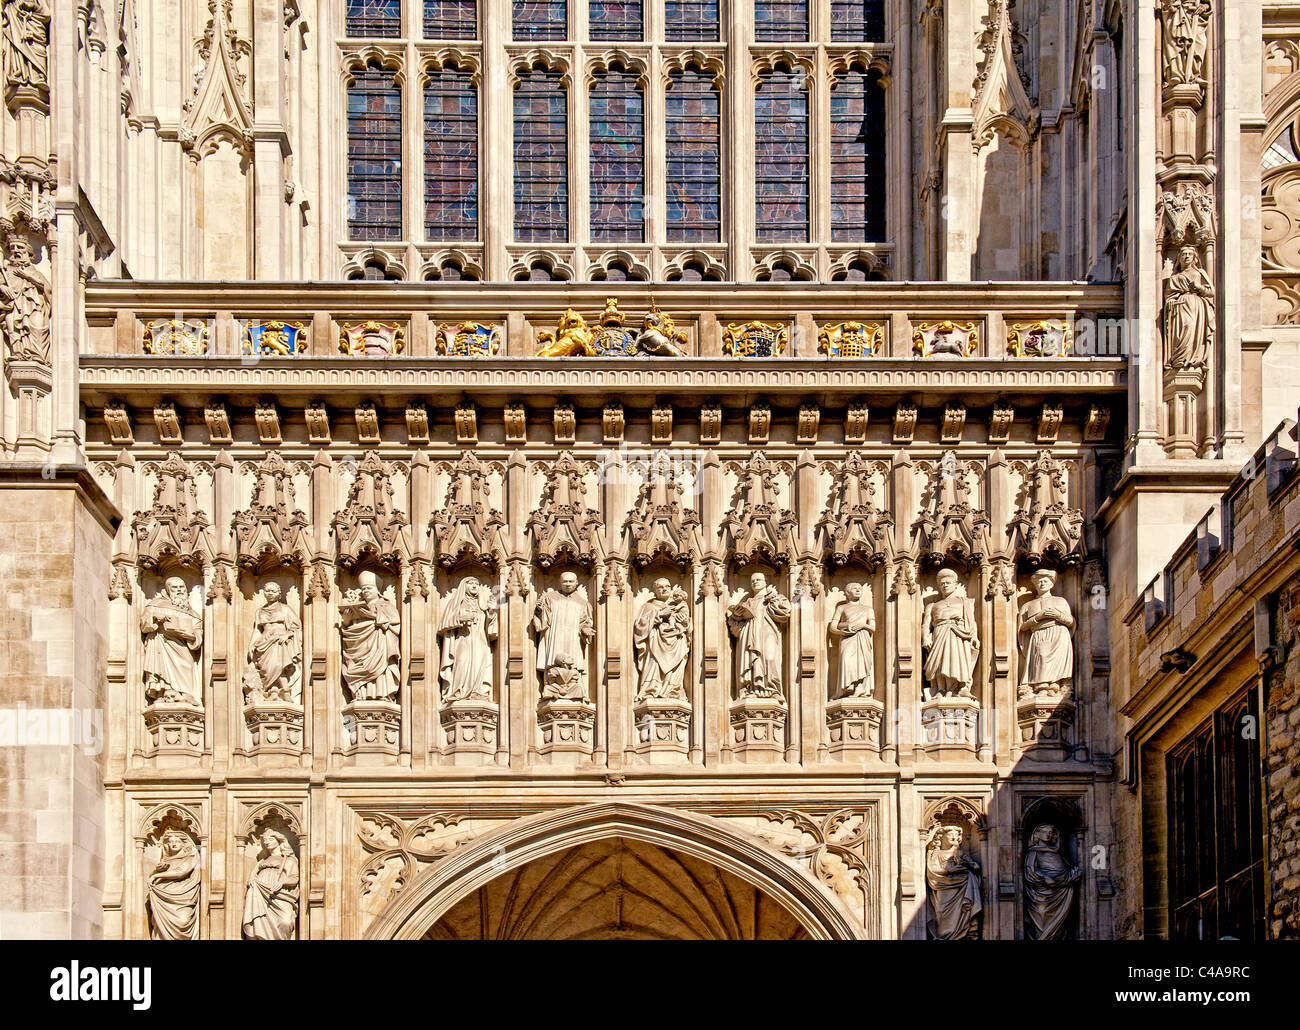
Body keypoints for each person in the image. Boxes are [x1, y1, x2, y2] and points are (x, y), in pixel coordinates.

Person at [727, 572, 792, 699]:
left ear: (766, 582)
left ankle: (773, 689)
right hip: (749, 636)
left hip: (767, 634)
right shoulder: (748, 602)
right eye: (752, 581)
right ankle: (751, 689)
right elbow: (735, 628)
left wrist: (772, 599)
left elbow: (784, 613)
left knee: (770, 659)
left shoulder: (773, 597)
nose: (755, 582)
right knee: (750, 660)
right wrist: (736, 616)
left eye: (758, 579)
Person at [140, 577, 203, 706]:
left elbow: (198, 634)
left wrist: (191, 636)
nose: (179, 590)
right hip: (163, 644)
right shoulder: (155, 605)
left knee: (187, 666)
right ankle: (167, 691)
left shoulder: (194, 614)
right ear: (168, 590)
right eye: (175, 588)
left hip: (183, 648)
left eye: (182, 587)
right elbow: (144, 624)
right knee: (164, 667)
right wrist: (156, 620)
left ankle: (186, 694)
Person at [340, 570, 401, 702]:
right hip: (360, 646)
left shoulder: (386, 605)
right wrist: (346, 618)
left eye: (369, 588)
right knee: (357, 667)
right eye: (363, 589)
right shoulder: (358, 606)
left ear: (377, 590)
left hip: (378, 645)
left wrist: (374, 616)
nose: (366, 591)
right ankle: (361, 694)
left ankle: (381, 694)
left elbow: (395, 625)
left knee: (379, 668)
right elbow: (348, 627)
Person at [533, 571, 595, 697]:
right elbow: (543, 619)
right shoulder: (549, 598)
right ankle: (550, 685)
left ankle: (575, 686)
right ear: (559, 583)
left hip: (573, 637)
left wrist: (586, 630)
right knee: (552, 659)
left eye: (571, 581)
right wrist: (540, 610)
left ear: (577, 583)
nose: (568, 584)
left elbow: (585, 621)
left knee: (573, 661)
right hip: (554, 635)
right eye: (565, 581)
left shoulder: (582, 602)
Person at [437, 576, 498, 702]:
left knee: (479, 665)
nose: (474, 586)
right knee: (462, 662)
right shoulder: (456, 603)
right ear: (464, 586)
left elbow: (490, 629)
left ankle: (477, 691)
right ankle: (458, 691)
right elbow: (445, 623)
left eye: (477, 583)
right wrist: (461, 618)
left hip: (480, 641)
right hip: (462, 640)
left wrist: (491, 612)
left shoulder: (482, 605)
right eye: (471, 583)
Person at [921, 569, 979, 699]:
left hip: (958, 634)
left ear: (956, 584)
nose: (945, 585)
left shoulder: (964, 602)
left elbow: (971, 621)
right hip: (939, 632)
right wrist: (925, 637)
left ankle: (957, 689)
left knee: (956, 660)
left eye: (948, 583)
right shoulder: (932, 605)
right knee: (939, 662)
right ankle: (941, 690)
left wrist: (974, 636)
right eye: (942, 584)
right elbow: (926, 624)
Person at [1018, 569, 1075, 699]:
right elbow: (1022, 627)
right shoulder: (1028, 605)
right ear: (1035, 585)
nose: (1042, 584)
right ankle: (1041, 686)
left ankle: (1055, 685)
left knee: (1056, 661)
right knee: (1042, 657)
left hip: (1058, 634)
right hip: (1039, 634)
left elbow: (1071, 621)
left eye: (1045, 581)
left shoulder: (1060, 601)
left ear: (1051, 584)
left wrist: (1058, 615)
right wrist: (1038, 617)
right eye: (1039, 582)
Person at [242, 581, 302, 703]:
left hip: (279, 641)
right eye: (268, 591)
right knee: (265, 669)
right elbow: (257, 630)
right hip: (264, 641)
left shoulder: (285, 609)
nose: (270, 593)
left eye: (273, 591)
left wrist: (287, 634)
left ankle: (285, 691)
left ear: (279, 594)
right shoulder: (259, 611)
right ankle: (272, 691)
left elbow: (296, 626)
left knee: (278, 666)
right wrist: (251, 645)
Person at [633, 578, 691, 701]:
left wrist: (684, 622)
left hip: (676, 643)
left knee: (676, 668)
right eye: (660, 587)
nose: (664, 589)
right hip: (655, 643)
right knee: (654, 664)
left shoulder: (678, 606)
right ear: (654, 590)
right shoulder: (648, 606)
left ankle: (671, 691)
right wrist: (659, 615)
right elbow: (639, 626)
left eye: (667, 586)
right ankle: (651, 690)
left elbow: (688, 626)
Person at [1023, 823, 1080, 940]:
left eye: (1051, 832)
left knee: (1061, 925)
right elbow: (1030, 871)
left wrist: (1072, 874)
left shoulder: (1057, 852)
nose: (1048, 835)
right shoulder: (1034, 852)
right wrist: (1045, 877)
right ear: (1037, 834)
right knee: (1042, 915)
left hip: (1062, 891)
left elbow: (1065, 868)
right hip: (1042, 894)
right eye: (1045, 832)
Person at [925, 824, 982, 940]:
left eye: (956, 835)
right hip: (942, 886)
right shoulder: (936, 854)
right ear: (942, 837)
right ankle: (944, 936)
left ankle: (961, 934)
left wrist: (966, 863)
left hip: (961, 887)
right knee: (941, 913)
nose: (954, 837)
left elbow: (976, 867)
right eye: (950, 834)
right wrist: (950, 870)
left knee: (963, 912)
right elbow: (932, 870)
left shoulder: (960, 854)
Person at [242, 829, 300, 940]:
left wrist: (282, 882)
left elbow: (294, 878)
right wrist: (253, 882)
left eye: (270, 839)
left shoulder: (288, 859)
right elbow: (252, 877)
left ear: (279, 841)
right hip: (260, 894)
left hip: (280, 895)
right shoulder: (262, 861)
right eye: (265, 840)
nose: (267, 842)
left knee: (285, 921)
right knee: (257, 922)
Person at [1162, 246, 1214, 369]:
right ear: (1179, 258)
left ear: (1195, 258)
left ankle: (1194, 358)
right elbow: (1169, 295)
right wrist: (1170, 302)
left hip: (1196, 305)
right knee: (1185, 328)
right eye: (1184, 254)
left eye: (1190, 254)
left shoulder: (1200, 273)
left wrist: (1199, 287)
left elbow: (1211, 291)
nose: (1187, 256)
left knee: (1192, 328)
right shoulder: (1175, 277)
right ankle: (1179, 358)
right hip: (1180, 306)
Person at [147, 829, 201, 940]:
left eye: (177, 841)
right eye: (171, 842)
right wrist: (156, 872)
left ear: (183, 843)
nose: (174, 844)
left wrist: (156, 876)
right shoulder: (165, 860)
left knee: (183, 920)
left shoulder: (191, 857)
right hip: (163, 897)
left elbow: (181, 872)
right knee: (160, 925)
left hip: (184, 897)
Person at [830, 582, 875, 699]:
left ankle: (860, 689)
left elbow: (873, 628)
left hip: (863, 638)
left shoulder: (868, 609)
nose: (858, 590)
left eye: (860, 588)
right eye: (855, 588)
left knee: (862, 663)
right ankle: (847, 688)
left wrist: (862, 625)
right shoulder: (842, 608)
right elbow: (833, 627)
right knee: (846, 660)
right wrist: (845, 629)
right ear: (847, 592)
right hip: (847, 638)